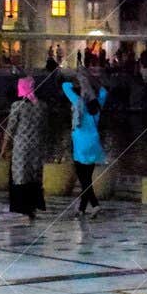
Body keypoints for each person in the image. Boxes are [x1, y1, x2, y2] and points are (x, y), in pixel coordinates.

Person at [1, 76, 46, 221]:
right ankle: (33, 207)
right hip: (37, 147)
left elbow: (10, 129)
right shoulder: (42, 106)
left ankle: (23, 207)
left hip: (21, 148)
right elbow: (45, 127)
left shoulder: (17, 106)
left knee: (21, 176)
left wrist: (3, 148)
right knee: (34, 176)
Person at [61, 72, 104, 217]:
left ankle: (95, 204)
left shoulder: (77, 101)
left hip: (80, 143)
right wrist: (90, 82)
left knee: (83, 178)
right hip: (94, 143)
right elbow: (104, 91)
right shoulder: (98, 104)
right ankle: (81, 208)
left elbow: (65, 86)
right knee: (87, 177)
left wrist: (77, 82)